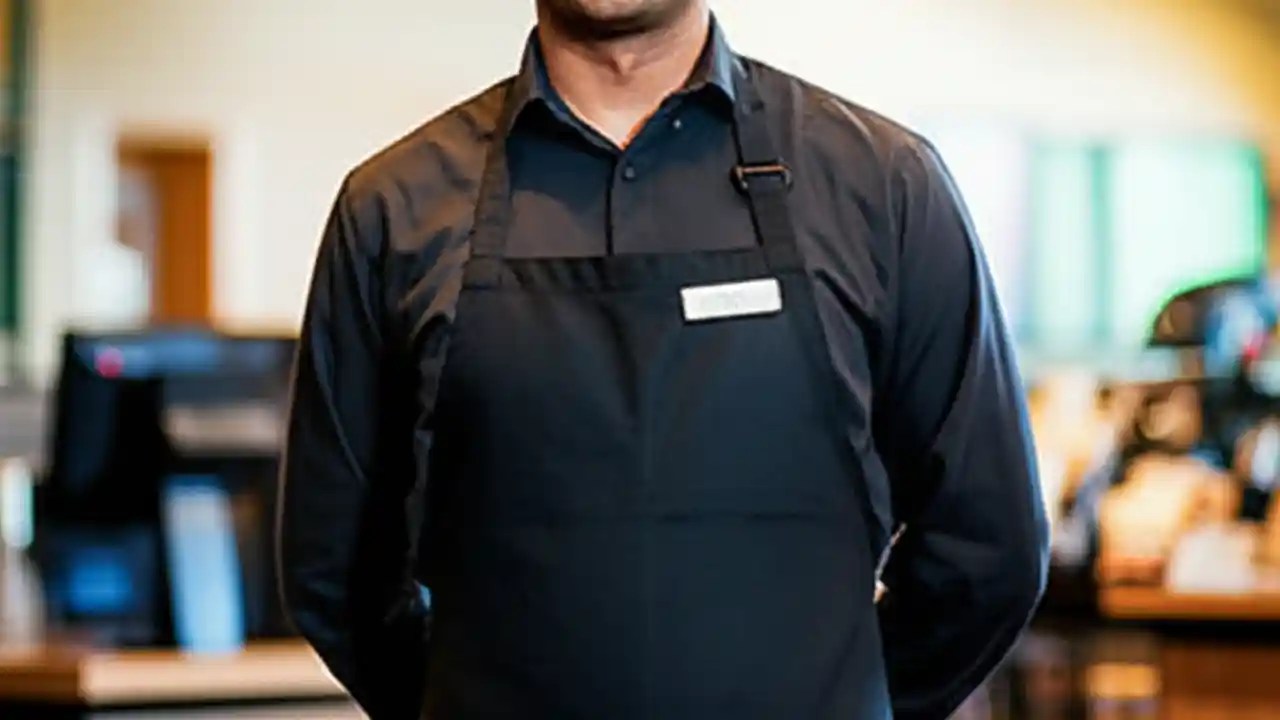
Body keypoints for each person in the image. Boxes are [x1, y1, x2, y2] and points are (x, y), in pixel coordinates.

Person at [277, 1, 1049, 718]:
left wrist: (849, 699)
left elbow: (989, 548)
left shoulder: (885, 187)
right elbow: (333, 570)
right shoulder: (391, 209)